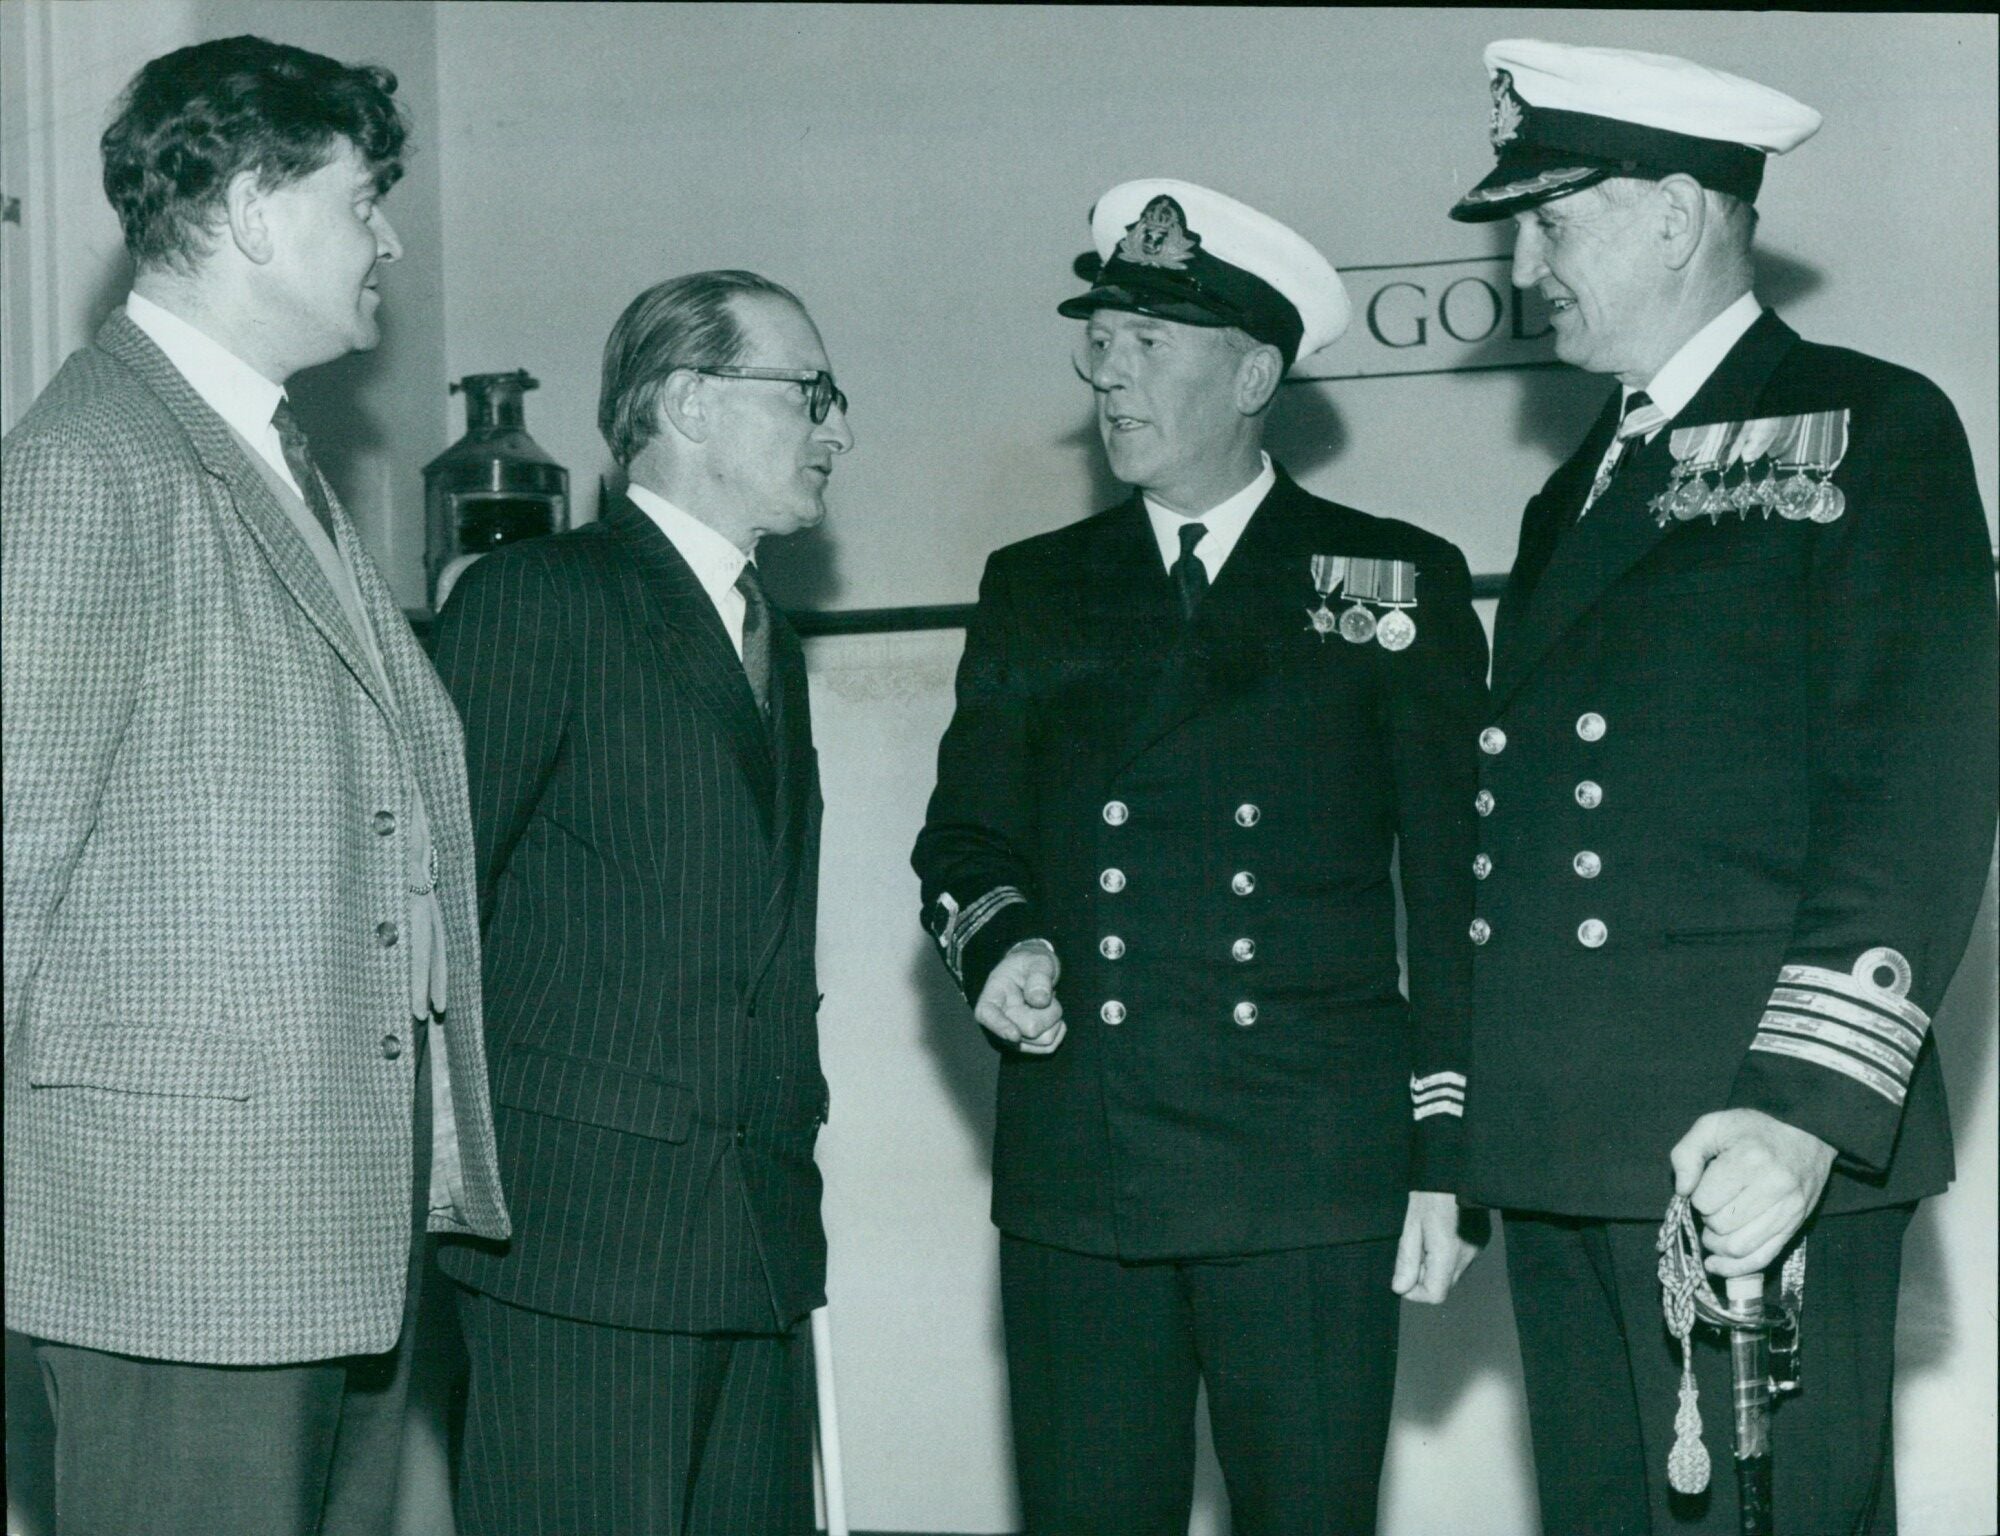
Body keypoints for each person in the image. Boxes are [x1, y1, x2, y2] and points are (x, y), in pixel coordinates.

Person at [1449, 39, 1998, 1536]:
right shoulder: (1572, 491)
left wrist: (1804, 1109)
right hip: (1571, 1148)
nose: (1524, 262)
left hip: (1738, 1145)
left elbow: (1920, 792)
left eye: (1553, 220)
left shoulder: (1871, 426)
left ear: (1679, 216)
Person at [912, 179, 1488, 1535]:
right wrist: (1001, 945)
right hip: (1084, 1168)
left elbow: (1460, 892)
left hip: (1308, 1171)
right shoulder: (1038, 587)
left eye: (1145, 342)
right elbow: (964, 836)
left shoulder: (1389, 581)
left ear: (1255, 372)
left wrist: (1448, 1158)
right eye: (1099, 335)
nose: (1102, 370)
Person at [1, 34, 509, 1536]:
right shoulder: (88, 466)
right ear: (249, 209)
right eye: (364, 201)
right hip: (176, 1243)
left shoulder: (269, 457)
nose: (391, 240)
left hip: (320, 1227)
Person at [432, 269, 851, 1533]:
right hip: (580, 1250)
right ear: (688, 403)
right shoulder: (534, 600)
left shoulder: (764, 632)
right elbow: (436, 909)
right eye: (808, 394)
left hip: (752, 1247)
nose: (837, 430)